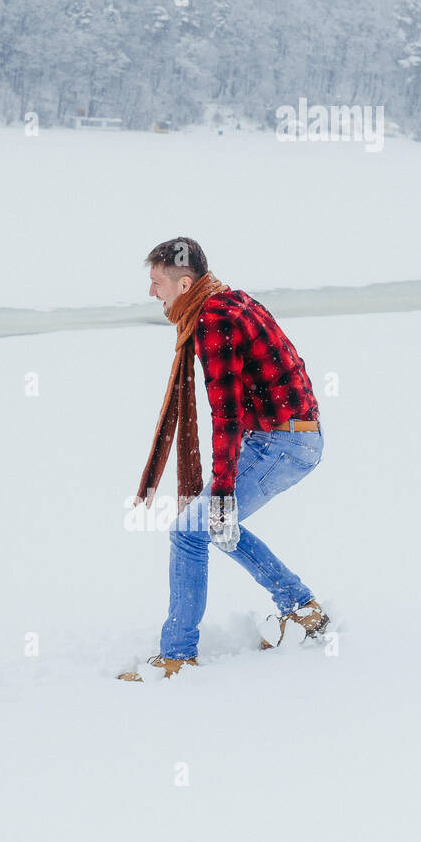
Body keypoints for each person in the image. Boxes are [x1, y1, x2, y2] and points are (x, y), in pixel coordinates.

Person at [120, 238, 327, 681]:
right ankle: (302, 608)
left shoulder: (214, 320)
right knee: (216, 525)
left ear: (185, 283)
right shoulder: (229, 299)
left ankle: (176, 657)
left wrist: (223, 492)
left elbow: (226, 415)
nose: (153, 293)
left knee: (189, 532)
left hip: (282, 443)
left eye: (157, 283)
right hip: (290, 436)